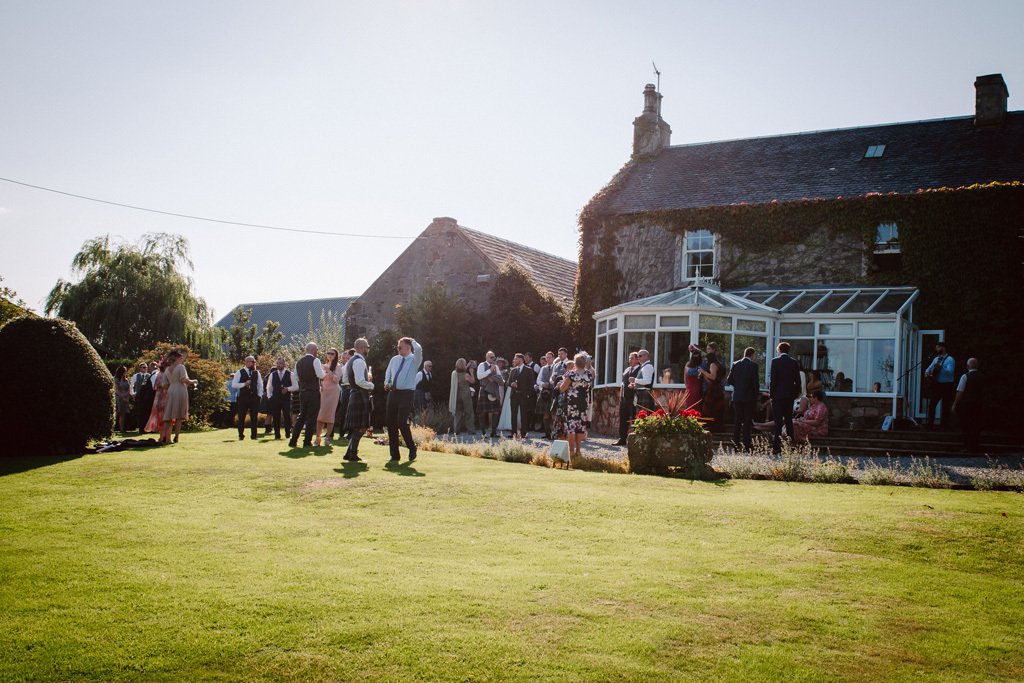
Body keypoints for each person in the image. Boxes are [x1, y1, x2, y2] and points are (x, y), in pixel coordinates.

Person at [383, 337, 423, 463]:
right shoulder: (394, 359)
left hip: (407, 394)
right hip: (393, 393)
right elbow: (389, 373)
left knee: (401, 422)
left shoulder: (414, 360)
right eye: (398, 347)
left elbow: (419, 350)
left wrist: (412, 341)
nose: (398, 349)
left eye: (400, 347)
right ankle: (394, 455)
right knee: (391, 423)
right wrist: (387, 383)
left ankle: (412, 447)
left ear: (408, 347)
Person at [557, 352, 594, 460]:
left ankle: (571, 451)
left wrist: (559, 385)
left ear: (575, 363)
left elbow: (562, 388)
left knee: (572, 427)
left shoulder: (571, 374)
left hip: (572, 404)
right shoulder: (589, 374)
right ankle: (578, 450)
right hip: (583, 403)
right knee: (580, 427)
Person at [342, 338, 373, 462]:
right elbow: (360, 381)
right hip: (360, 394)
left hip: (354, 393)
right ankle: (352, 454)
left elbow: (345, 380)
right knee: (361, 427)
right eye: (367, 347)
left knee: (358, 427)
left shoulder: (351, 361)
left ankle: (349, 453)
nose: (367, 350)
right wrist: (371, 385)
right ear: (361, 348)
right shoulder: (359, 361)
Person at [289, 342, 325, 449]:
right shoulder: (315, 360)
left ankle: (293, 440)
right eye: (317, 350)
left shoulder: (298, 362)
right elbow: (321, 375)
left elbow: (296, 377)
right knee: (312, 417)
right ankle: (307, 441)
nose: (317, 352)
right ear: (314, 350)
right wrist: (324, 373)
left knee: (301, 416)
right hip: (313, 391)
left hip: (303, 391)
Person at [769, 342, 802, 453]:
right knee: (788, 420)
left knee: (778, 421)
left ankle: (776, 446)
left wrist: (771, 395)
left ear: (779, 350)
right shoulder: (793, 362)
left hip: (778, 396)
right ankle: (791, 445)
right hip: (789, 396)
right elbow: (798, 381)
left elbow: (773, 380)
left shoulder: (775, 361)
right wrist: (795, 394)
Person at [726, 346, 760, 451]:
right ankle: (746, 444)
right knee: (747, 421)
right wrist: (756, 395)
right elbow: (755, 383)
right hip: (749, 397)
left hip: (737, 396)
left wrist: (738, 386)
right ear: (752, 355)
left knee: (737, 421)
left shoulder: (735, 364)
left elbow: (729, 380)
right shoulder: (753, 366)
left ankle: (735, 444)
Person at [163, 350, 197, 444]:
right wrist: (193, 381)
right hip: (180, 390)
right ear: (177, 358)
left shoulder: (167, 369)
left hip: (171, 390)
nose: (182, 359)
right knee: (179, 415)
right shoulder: (181, 367)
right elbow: (183, 379)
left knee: (169, 414)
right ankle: (176, 436)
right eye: (181, 358)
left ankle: (166, 437)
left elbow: (165, 384)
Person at [314, 348, 344, 446]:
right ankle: (317, 438)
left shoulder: (338, 366)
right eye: (328, 353)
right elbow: (320, 378)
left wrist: (329, 371)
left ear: (336, 356)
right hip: (324, 391)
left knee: (330, 414)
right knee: (321, 414)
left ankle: (327, 438)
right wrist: (320, 385)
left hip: (333, 392)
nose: (330, 355)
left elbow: (337, 379)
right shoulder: (324, 365)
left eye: (332, 353)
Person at [953, 357, 983, 452]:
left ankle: (967, 446)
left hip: (967, 404)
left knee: (966, 425)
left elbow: (960, 392)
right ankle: (975, 446)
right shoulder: (982, 377)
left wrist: (955, 403)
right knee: (976, 425)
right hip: (979, 404)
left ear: (967, 366)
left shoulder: (965, 376)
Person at [231, 355, 264, 441]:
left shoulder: (256, 373)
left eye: (254, 362)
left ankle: (254, 436)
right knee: (241, 416)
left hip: (254, 397)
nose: (254, 364)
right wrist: (244, 384)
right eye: (252, 362)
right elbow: (234, 384)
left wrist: (259, 395)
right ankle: (241, 435)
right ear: (246, 362)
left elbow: (260, 385)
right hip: (243, 397)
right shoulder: (239, 372)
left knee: (254, 417)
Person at [925, 341, 956, 430]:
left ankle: (944, 425)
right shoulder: (936, 359)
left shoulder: (950, 359)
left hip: (947, 385)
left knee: (945, 405)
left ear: (943, 348)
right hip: (937, 384)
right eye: (936, 347)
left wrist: (941, 368)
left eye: (938, 347)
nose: (936, 349)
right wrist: (927, 372)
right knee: (932, 404)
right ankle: (930, 424)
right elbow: (929, 368)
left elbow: (950, 372)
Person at [614, 351, 641, 446]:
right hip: (624, 398)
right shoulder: (627, 370)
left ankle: (636, 440)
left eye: (632, 358)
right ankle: (622, 439)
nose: (630, 360)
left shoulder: (640, 370)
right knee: (623, 418)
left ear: (637, 360)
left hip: (634, 398)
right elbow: (623, 383)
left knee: (634, 418)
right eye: (629, 358)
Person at [507, 353, 537, 439]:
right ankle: (513, 433)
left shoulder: (528, 370)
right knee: (513, 414)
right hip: (514, 395)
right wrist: (511, 384)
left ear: (520, 359)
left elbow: (531, 384)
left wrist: (528, 395)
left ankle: (524, 433)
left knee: (524, 415)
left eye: (515, 359)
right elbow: (508, 382)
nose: (514, 360)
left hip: (524, 396)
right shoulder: (513, 370)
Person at [476, 351, 504, 438]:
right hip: (484, 390)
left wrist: (492, 378)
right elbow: (479, 376)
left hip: (494, 391)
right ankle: (483, 433)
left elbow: (501, 379)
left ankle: (494, 432)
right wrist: (490, 370)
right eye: (491, 357)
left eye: (494, 357)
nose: (493, 359)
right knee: (482, 412)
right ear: (487, 357)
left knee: (496, 411)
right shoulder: (481, 365)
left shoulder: (496, 366)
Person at [265, 356, 294, 440]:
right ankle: (277, 435)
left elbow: (296, 386)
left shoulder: (290, 374)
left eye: (280, 363)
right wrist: (270, 397)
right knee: (276, 417)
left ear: (284, 364)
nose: (278, 365)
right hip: (275, 399)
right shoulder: (272, 374)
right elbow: (269, 387)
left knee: (287, 416)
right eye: (277, 363)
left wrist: (288, 389)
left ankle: (288, 434)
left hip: (286, 399)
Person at [448, 358, 476, 434]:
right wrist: (472, 372)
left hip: (457, 395)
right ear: (464, 365)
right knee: (469, 413)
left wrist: (467, 366)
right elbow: (473, 381)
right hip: (466, 395)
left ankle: (456, 430)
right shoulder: (466, 375)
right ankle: (471, 430)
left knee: (457, 413)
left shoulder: (454, 373)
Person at [701, 342, 726, 426]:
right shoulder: (719, 363)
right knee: (717, 408)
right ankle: (717, 426)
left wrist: (703, 371)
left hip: (713, 390)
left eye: (708, 349)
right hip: (717, 388)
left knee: (710, 409)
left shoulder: (713, 364)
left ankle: (710, 426)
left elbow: (713, 377)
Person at [145, 358, 169, 438]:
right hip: (163, 396)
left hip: (158, 396)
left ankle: (162, 436)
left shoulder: (159, 374)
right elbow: (156, 387)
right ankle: (163, 436)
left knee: (161, 416)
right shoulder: (163, 375)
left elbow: (154, 387)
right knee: (164, 416)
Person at [536, 351, 557, 439]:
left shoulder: (556, 367)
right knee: (545, 413)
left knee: (553, 414)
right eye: (547, 357)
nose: (548, 359)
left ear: (553, 358)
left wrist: (551, 383)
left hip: (553, 391)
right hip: (544, 392)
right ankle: (547, 433)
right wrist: (543, 384)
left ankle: (554, 433)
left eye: (550, 357)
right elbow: (538, 380)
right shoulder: (543, 368)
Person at [333, 349, 352, 440]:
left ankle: (349, 433)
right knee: (341, 412)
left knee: (349, 411)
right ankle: (340, 433)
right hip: (340, 390)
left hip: (348, 389)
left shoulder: (352, 365)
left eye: (347, 358)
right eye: (344, 358)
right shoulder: (340, 367)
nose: (345, 359)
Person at [129, 363, 151, 433]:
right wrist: (132, 394)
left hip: (147, 397)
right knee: (139, 412)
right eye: (144, 367)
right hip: (138, 396)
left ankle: (146, 428)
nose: (145, 369)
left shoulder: (149, 376)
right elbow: (131, 385)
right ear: (140, 368)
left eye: (146, 367)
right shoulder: (136, 376)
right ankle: (140, 428)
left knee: (146, 412)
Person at [113, 366, 132, 432]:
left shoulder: (126, 380)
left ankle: (122, 429)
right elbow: (116, 391)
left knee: (123, 414)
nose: (126, 372)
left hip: (126, 398)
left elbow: (129, 389)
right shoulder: (116, 380)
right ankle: (113, 428)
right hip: (119, 398)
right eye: (125, 371)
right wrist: (122, 397)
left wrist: (126, 396)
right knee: (117, 414)